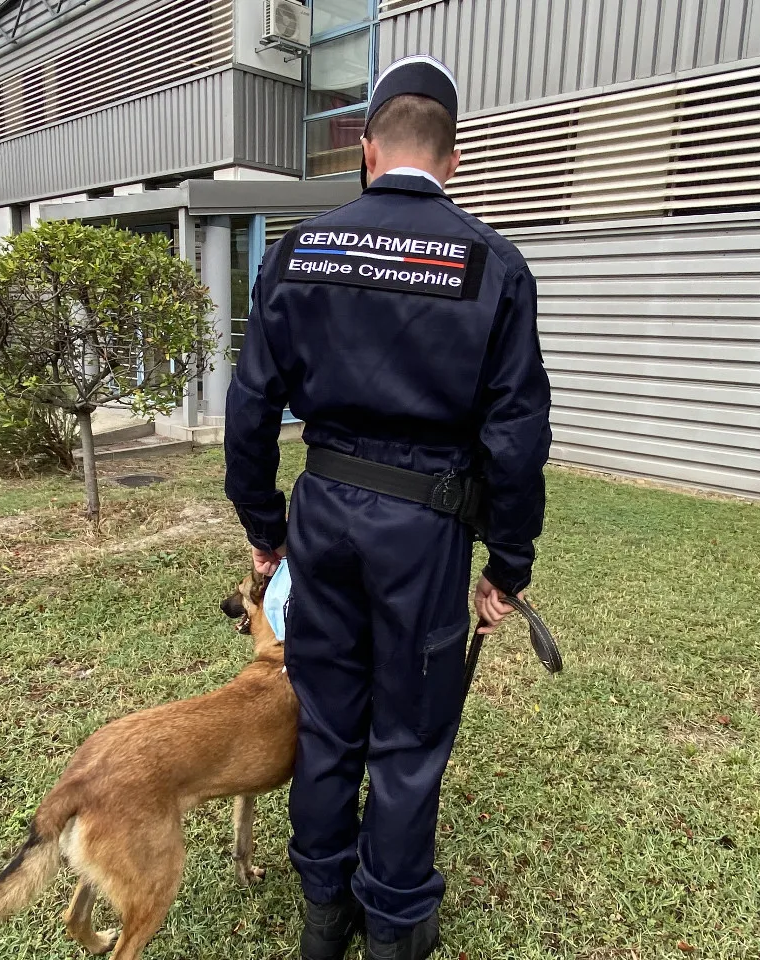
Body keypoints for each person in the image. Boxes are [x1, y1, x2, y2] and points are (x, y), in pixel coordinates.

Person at [224, 54, 552, 960]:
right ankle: (398, 927)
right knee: (408, 740)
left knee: (327, 721)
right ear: (451, 155)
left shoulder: (298, 253)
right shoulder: (494, 268)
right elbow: (518, 435)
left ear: (368, 148)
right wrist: (508, 568)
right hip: (428, 534)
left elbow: (251, 405)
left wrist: (265, 532)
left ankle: (324, 911)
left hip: (323, 521)